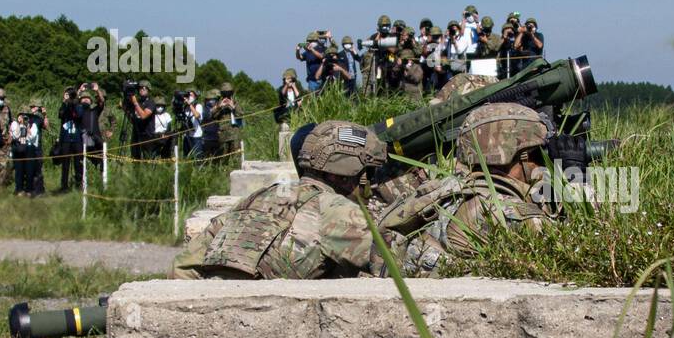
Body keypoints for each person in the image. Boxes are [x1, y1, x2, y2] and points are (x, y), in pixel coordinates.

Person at [170, 119, 387, 280]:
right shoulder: (336, 210)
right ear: (346, 174)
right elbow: (393, 263)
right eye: (368, 174)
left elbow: (181, 268)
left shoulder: (258, 197)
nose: (370, 183)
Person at [368, 102, 556, 277]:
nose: (541, 165)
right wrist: (576, 178)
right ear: (522, 156)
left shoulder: (443, 191)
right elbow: (568, 250)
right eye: (538, 156)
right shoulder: (510, 213)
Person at [56, 86, 84, 192]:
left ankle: (79, 184)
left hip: (77, 138)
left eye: (71, 95)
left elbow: (80, 114)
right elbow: (61, 114)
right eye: (68, 94)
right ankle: (64, 186)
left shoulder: (78, 105)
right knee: (65, 164)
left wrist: (75, 101)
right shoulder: (64, 106)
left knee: (78, 163)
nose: (70, 97)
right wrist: (65, 102)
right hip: (66, 138)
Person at [10, 110, 41, 196]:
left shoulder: (32, 125)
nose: (23, 118)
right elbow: (15, 136)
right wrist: (20, 125)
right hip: (19, 149)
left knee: (29, 170)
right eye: (21, 116)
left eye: (25, 116)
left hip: (29, 148)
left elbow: (32, 136)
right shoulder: (15, 124)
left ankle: (29, 189)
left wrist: (27, 127)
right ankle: (19, 189)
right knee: (19, 170)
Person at [211, 82, 244, 160]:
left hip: (234, 134)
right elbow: (213, 116)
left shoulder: (235, 103)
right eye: (225, 93)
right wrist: (219, 107)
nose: (227, 96)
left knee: (236, 157)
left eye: (228, 93)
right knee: (223, 158)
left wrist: (233, 107)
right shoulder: (219, 103)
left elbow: (240, 115)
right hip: (223, 134)